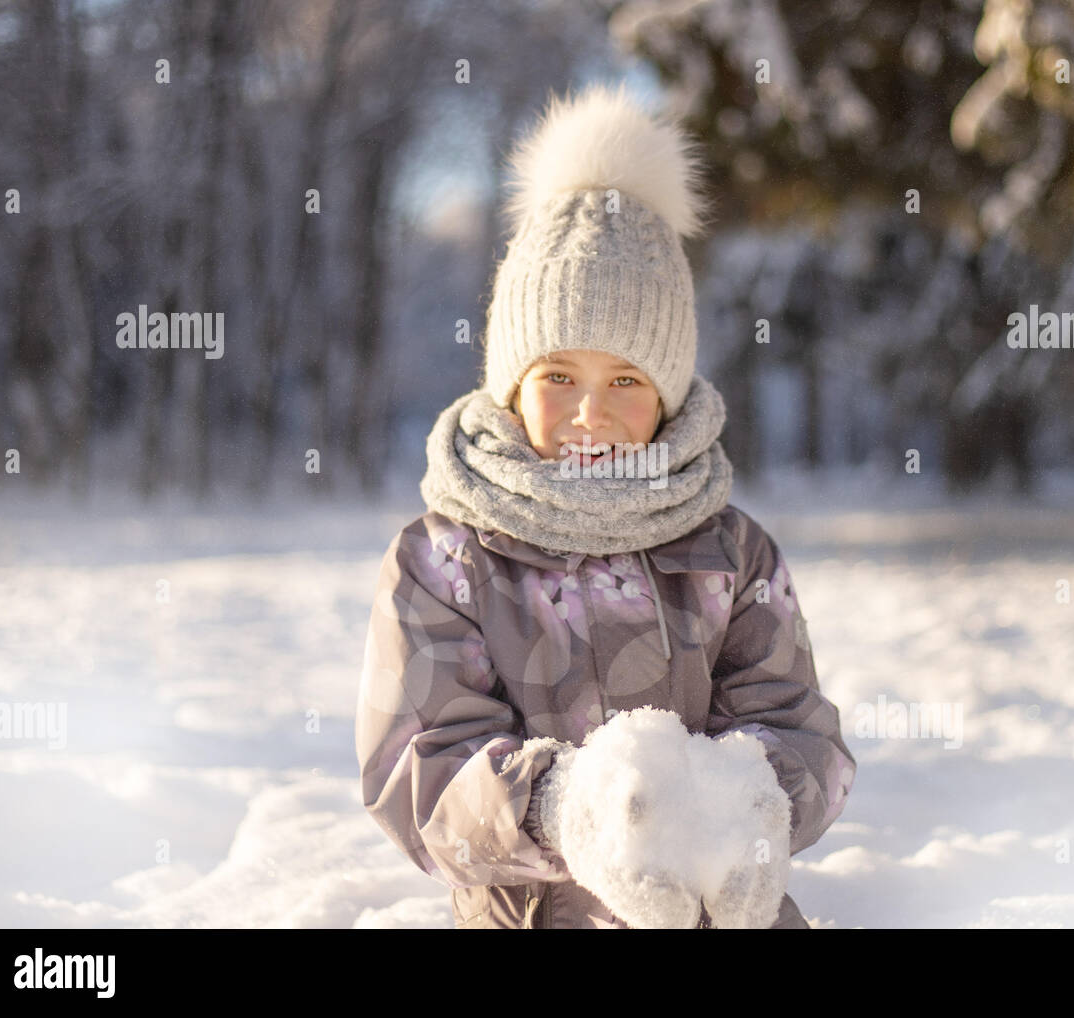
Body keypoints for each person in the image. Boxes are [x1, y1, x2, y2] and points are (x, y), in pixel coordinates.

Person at [355, 81, 856, 929]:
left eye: (626, 379)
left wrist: (749, 813)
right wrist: (565, 809)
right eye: (559, 377)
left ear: (668, 396)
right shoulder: (445, 558)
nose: (592, 411)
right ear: (511, 386)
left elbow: (797, 728)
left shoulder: (730, 555)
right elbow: (421, 769)